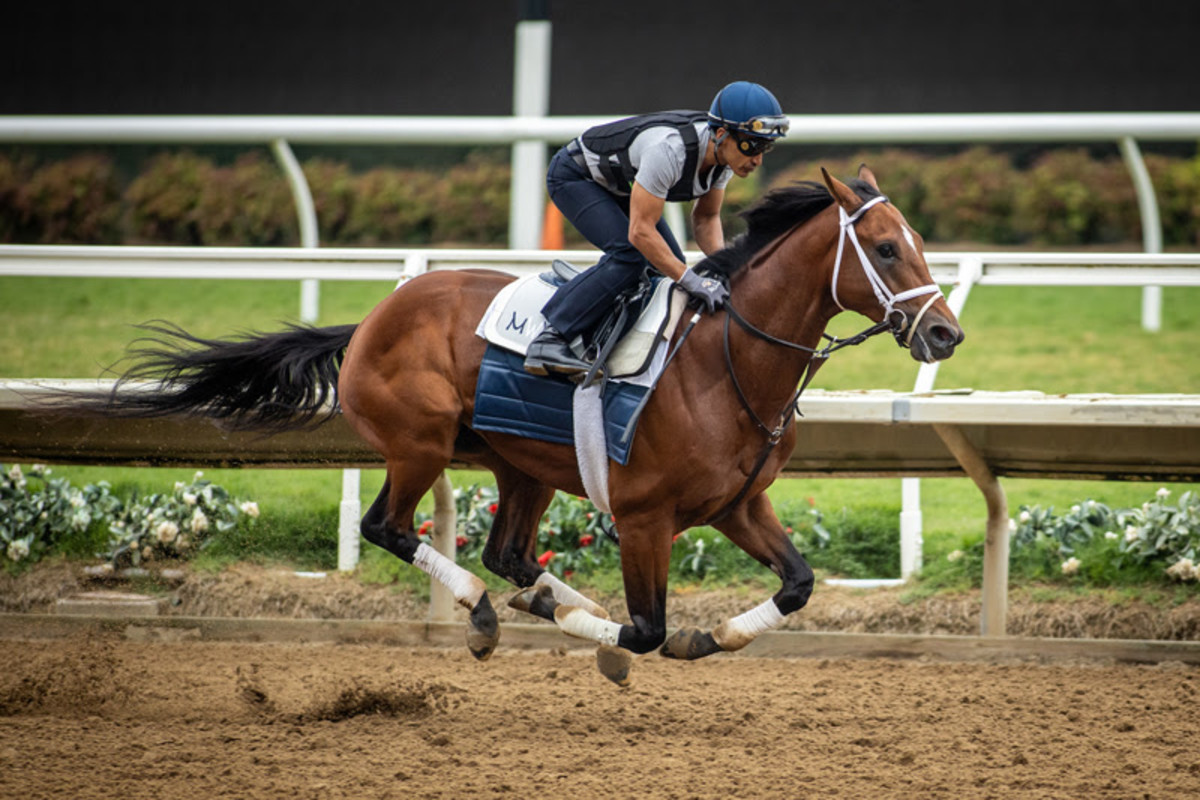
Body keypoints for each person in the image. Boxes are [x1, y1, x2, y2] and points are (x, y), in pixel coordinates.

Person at [523, 80, 790, 377]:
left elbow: (706, 219)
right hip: (575, 176)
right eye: (751, 145)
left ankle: (609, 342)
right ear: (722, 134)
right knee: (630, 255)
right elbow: (639, 231)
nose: (757, 159)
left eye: (765, 146)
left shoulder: (724, 157)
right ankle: (551, 339)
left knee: (666, 267)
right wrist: (692, 280)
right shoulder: (670, 150)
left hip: (617, 185)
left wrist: (729, 270)